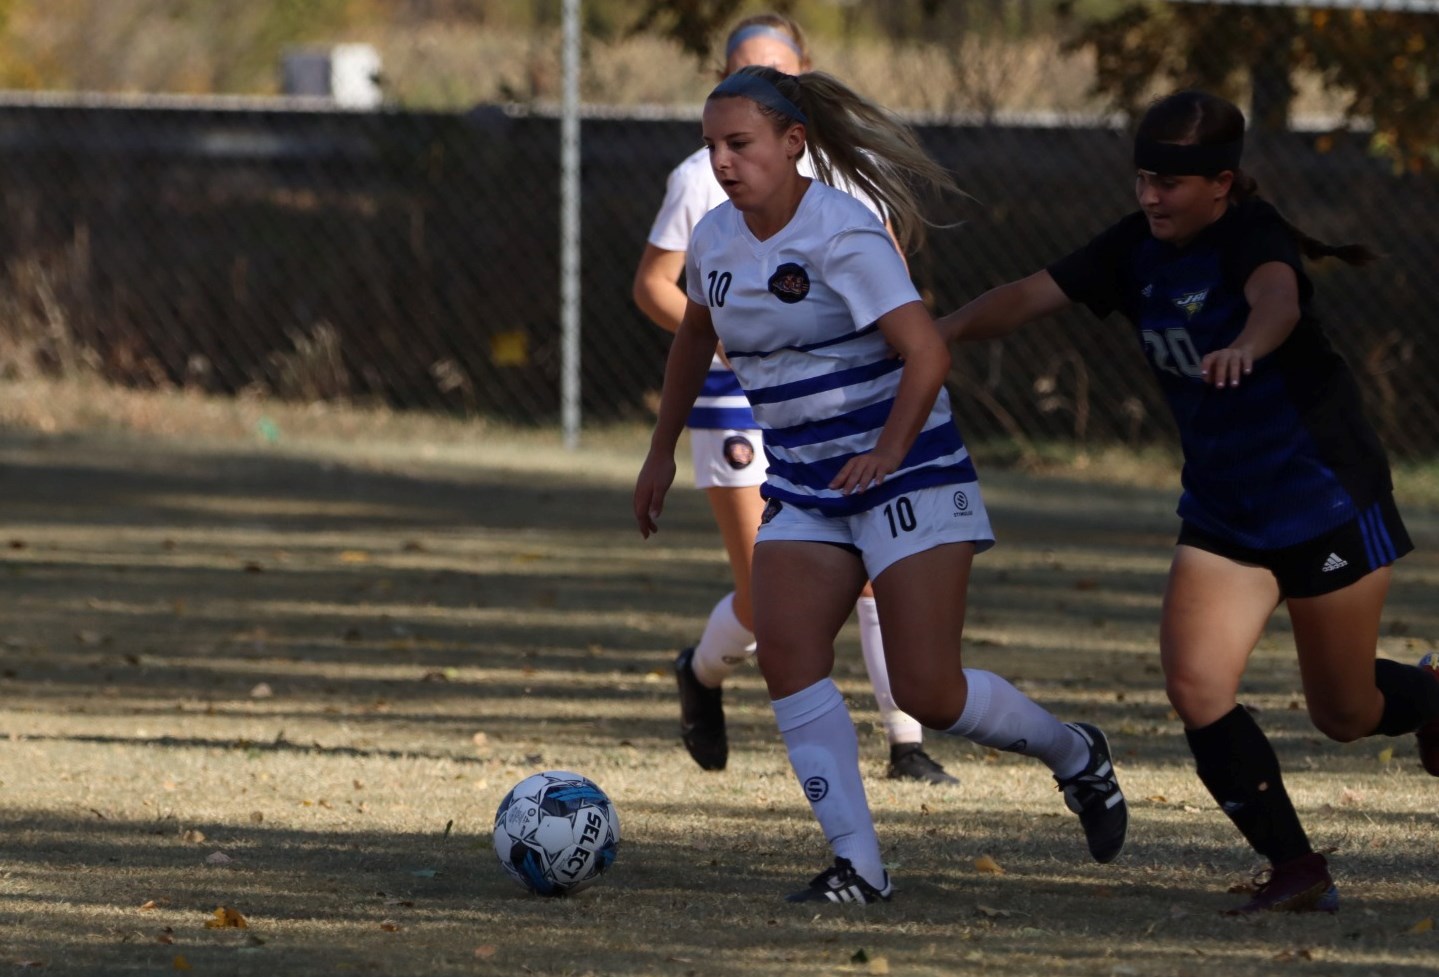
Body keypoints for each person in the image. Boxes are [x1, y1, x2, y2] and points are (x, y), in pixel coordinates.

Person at [633, 63, 1128, 903]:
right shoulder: (714, 238)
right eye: (711, 143)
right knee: (787, 652)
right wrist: (659, 450)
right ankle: (858, 865)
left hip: (911, 474)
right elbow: (694, 339)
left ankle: (1075, 753)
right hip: (807, 484)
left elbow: (925, 350)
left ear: (794, 144)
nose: (721, 160)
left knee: (929, 690)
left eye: (739, 143)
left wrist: (889, 449)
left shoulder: (842, 231)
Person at [935, 89, 1439, 914]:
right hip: (1222, 507)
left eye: (1169, 183)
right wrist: (941, 328)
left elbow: (1275, 297)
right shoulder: (1135, 249)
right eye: (1141, 178)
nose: (1149, 197)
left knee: (1343, 712)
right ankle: (1296, 868)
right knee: (1195, 683)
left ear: (1221, 183)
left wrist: (1245, 341)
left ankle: (1429, 696)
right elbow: (1029, 293)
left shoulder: (1252, 236)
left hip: (1320, 494)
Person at [633, 13, 956, 784]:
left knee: (870, 562)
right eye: (741, 70)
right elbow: (656, 287)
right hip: (735, 397)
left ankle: (906, 743)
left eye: (775, 73)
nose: (728, 152)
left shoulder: (848, 179)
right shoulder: (701, 178)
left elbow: (895, 304)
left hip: (836, 404)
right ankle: (703, 672)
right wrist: (731, 345)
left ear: (799, 96)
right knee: (767, 591)